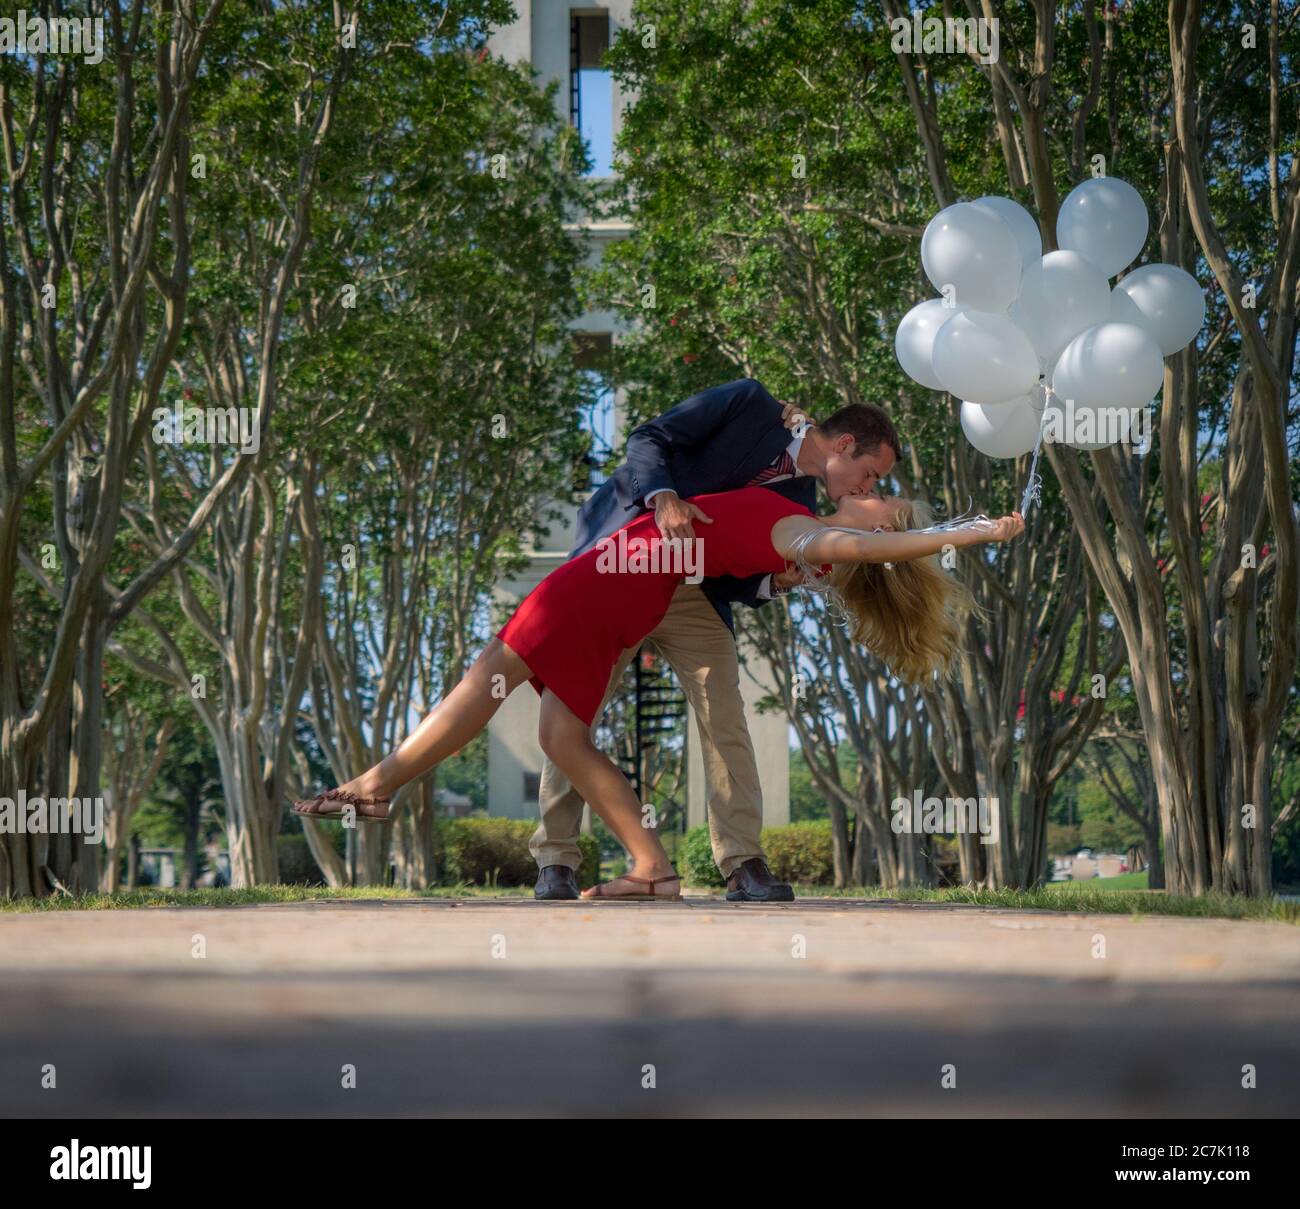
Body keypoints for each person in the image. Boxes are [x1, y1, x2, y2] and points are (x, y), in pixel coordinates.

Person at [292, 484, 1023, 900]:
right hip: (625, 579)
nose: (870, 497)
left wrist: (977, 532)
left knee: (492, 678)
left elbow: (870, 550)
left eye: (883, 504)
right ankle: (651, 866)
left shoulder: (812, 535)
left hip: (613, 584)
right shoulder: (799, 526)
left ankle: (381, 781)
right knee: (557, 736)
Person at [531, 377, 901, 903]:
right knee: (573, 712)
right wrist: (664, 498)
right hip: (623, 564)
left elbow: (742, 567)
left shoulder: (803, 501)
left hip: (695, 594)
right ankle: (556, 859)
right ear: (844, 445)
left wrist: (776, 581)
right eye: (870, 474)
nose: (867, 490)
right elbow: (647, 439)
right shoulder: (751, 404)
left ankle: (743, 861)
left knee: (724, 716)